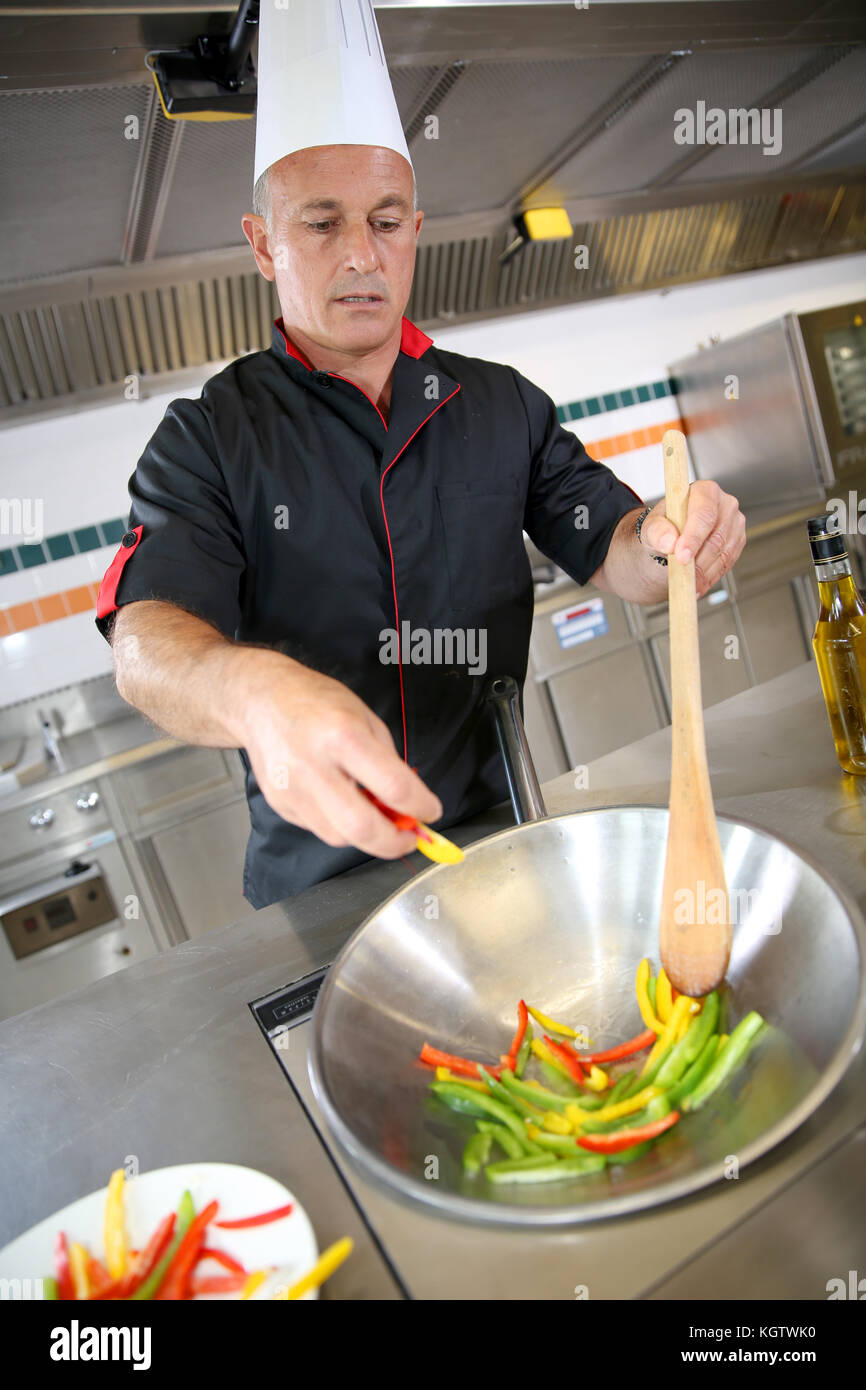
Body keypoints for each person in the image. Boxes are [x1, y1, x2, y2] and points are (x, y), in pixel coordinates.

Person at [96, 1, 745, 909]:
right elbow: (145, 640)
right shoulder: (209, 436)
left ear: (416, 229)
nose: (362, 254)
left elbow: (621, 548)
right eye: (321, 224)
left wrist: (675, 538)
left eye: (387, 221)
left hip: (500, 843)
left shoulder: (501, 402)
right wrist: (254, 691)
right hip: (317, 884)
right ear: (262, 244)